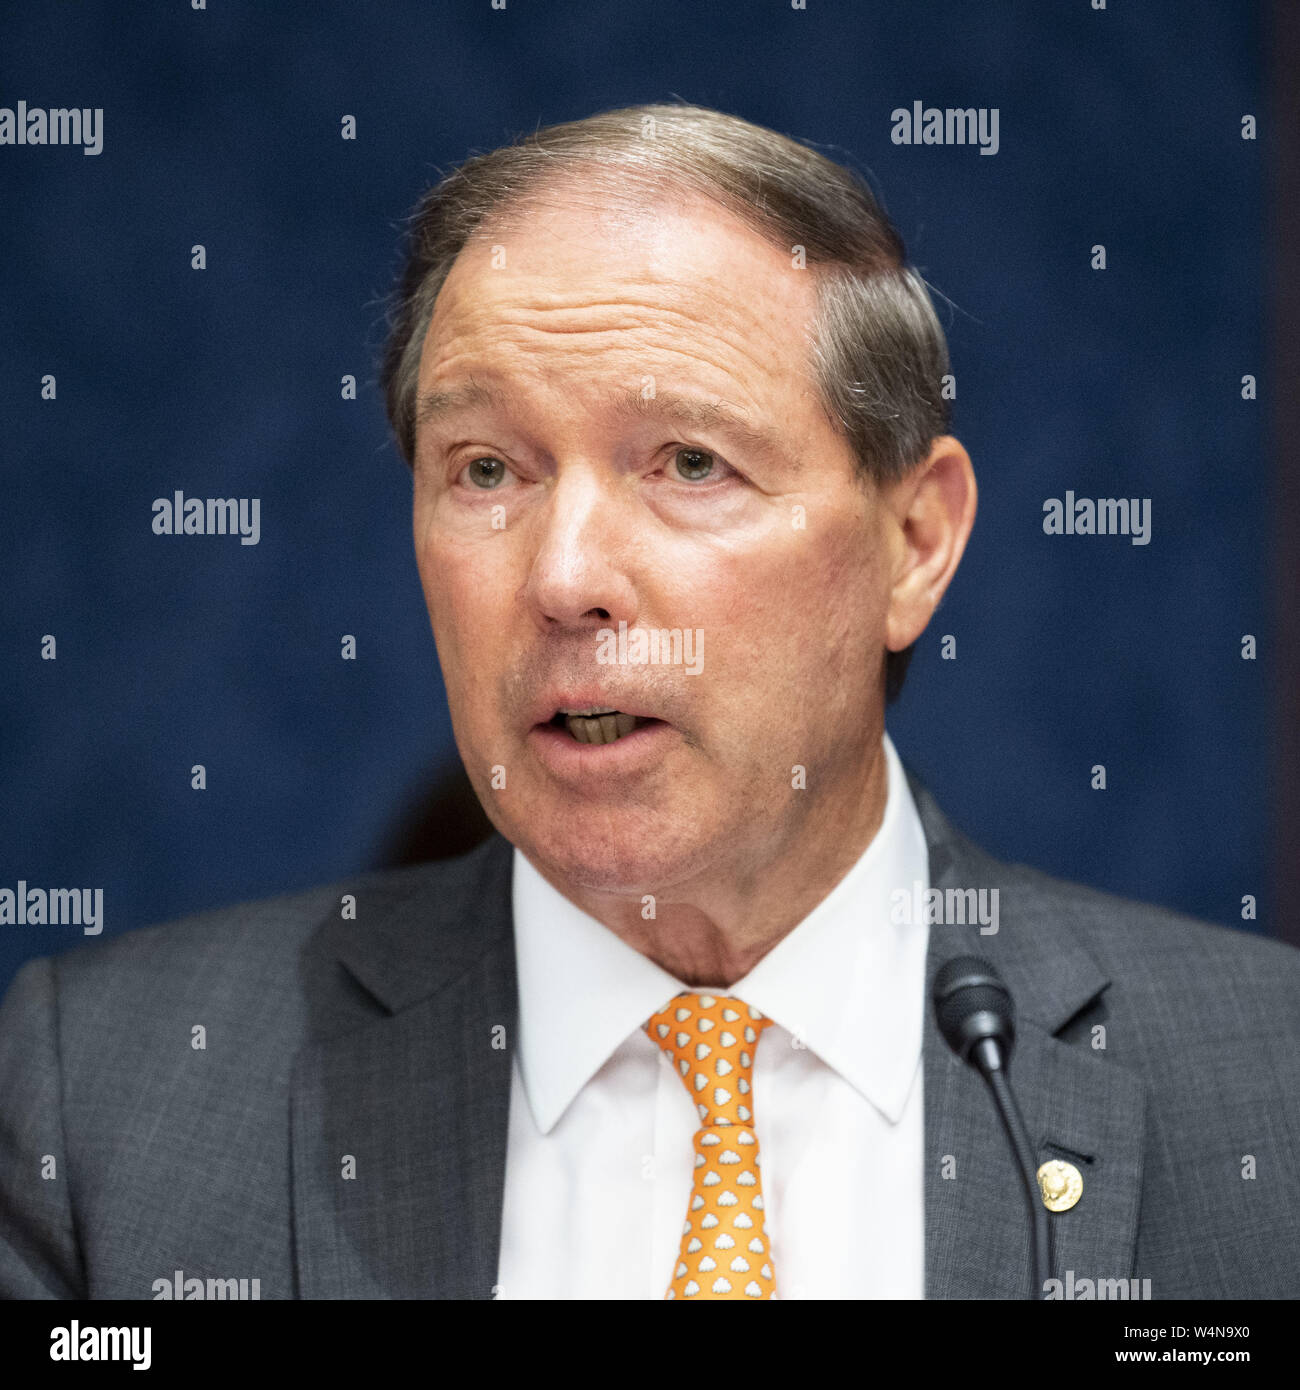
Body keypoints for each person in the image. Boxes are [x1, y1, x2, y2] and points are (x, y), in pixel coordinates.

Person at [2, 102, 1297, 1301]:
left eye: (688, 462)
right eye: (486, 466)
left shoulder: (1265, 1089)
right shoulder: (108, 1102)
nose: (563, 578)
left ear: (914, 541)